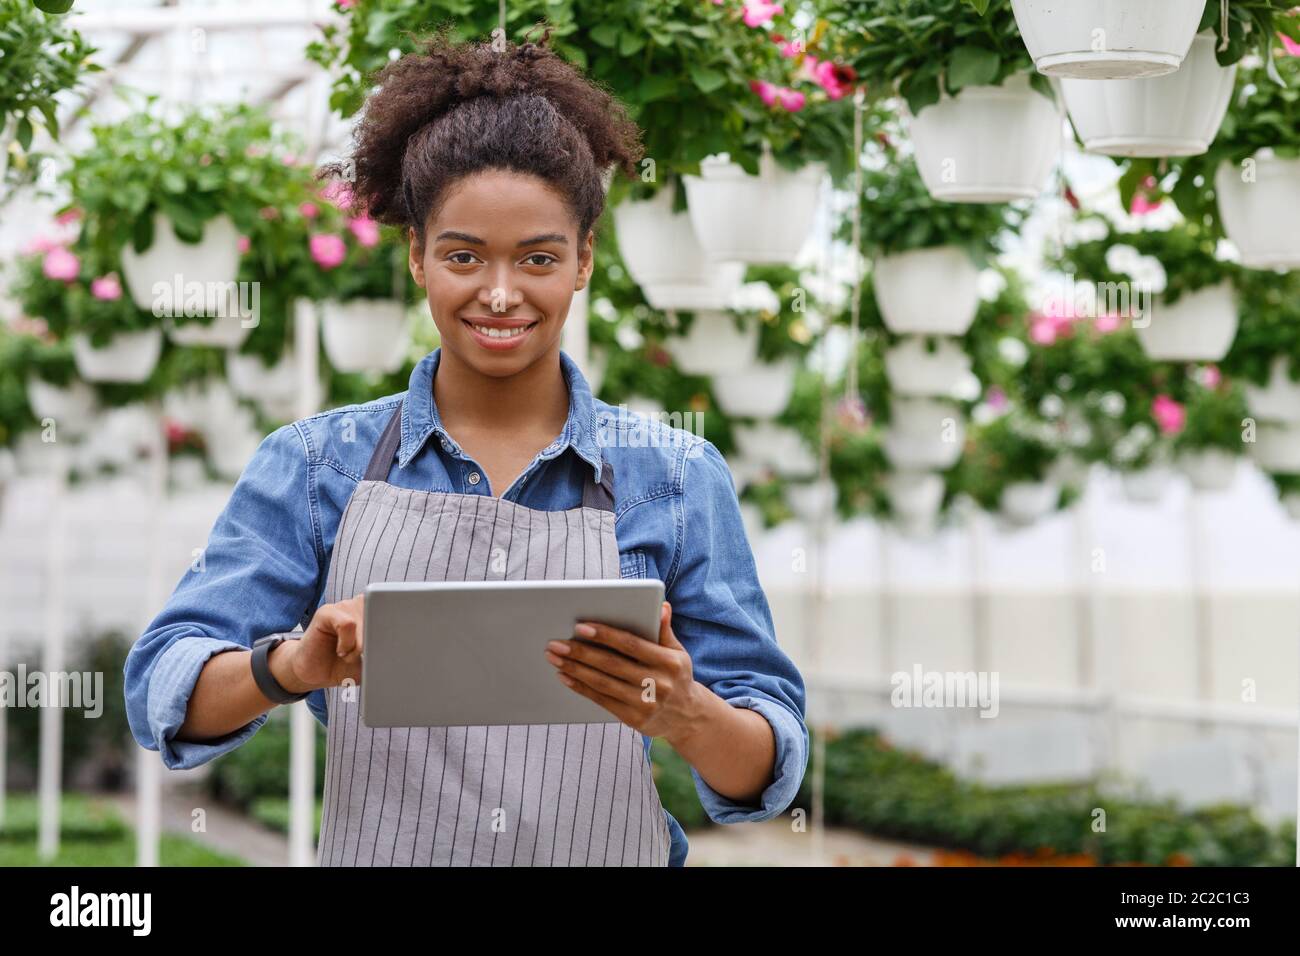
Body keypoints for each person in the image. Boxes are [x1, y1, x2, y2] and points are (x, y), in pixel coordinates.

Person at [124, 29, 807, 867]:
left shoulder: (673, 477)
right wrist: (294, 665)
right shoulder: (314, 465)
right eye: (462, 255)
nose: (500, 292)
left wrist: (685, 713)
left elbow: (770, 757)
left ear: (585, 260)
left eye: (539, 258)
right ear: (416, 256)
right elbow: (164, 687)